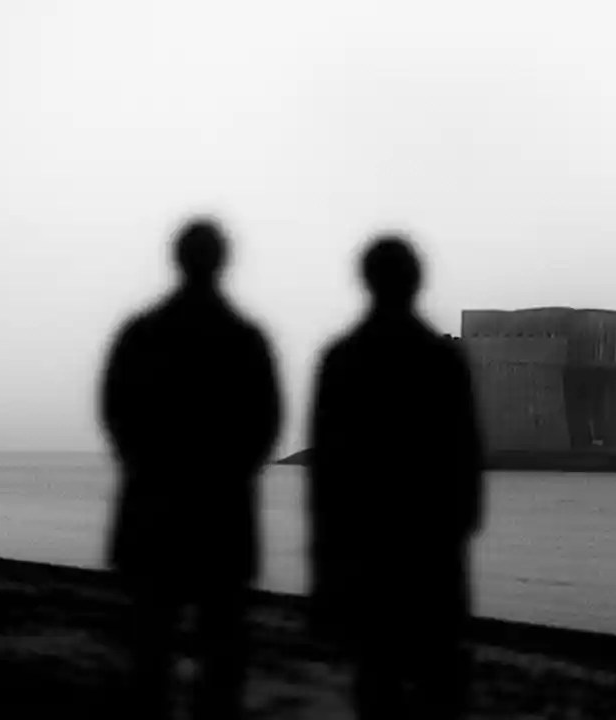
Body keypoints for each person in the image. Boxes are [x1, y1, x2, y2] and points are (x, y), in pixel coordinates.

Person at [98, 217, 281, 720]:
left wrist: (147, 465)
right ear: (224, 261)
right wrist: (229, 472)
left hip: (153, 517)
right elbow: (265, 424)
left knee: (150, 662)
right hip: (222, 520)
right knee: (220, 667)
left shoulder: (142, 334)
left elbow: (116, 413)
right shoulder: (245, 339)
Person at [308, 235, 484, 720]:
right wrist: (457, 540)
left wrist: (325, 573)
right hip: (432, 558)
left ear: (364, 280)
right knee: (440, 689)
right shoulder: (444, 361)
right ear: (418, 280)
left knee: (377, 685)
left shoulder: (341, 359)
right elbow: (466, 465)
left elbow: (327, 480)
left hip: (368, 558)